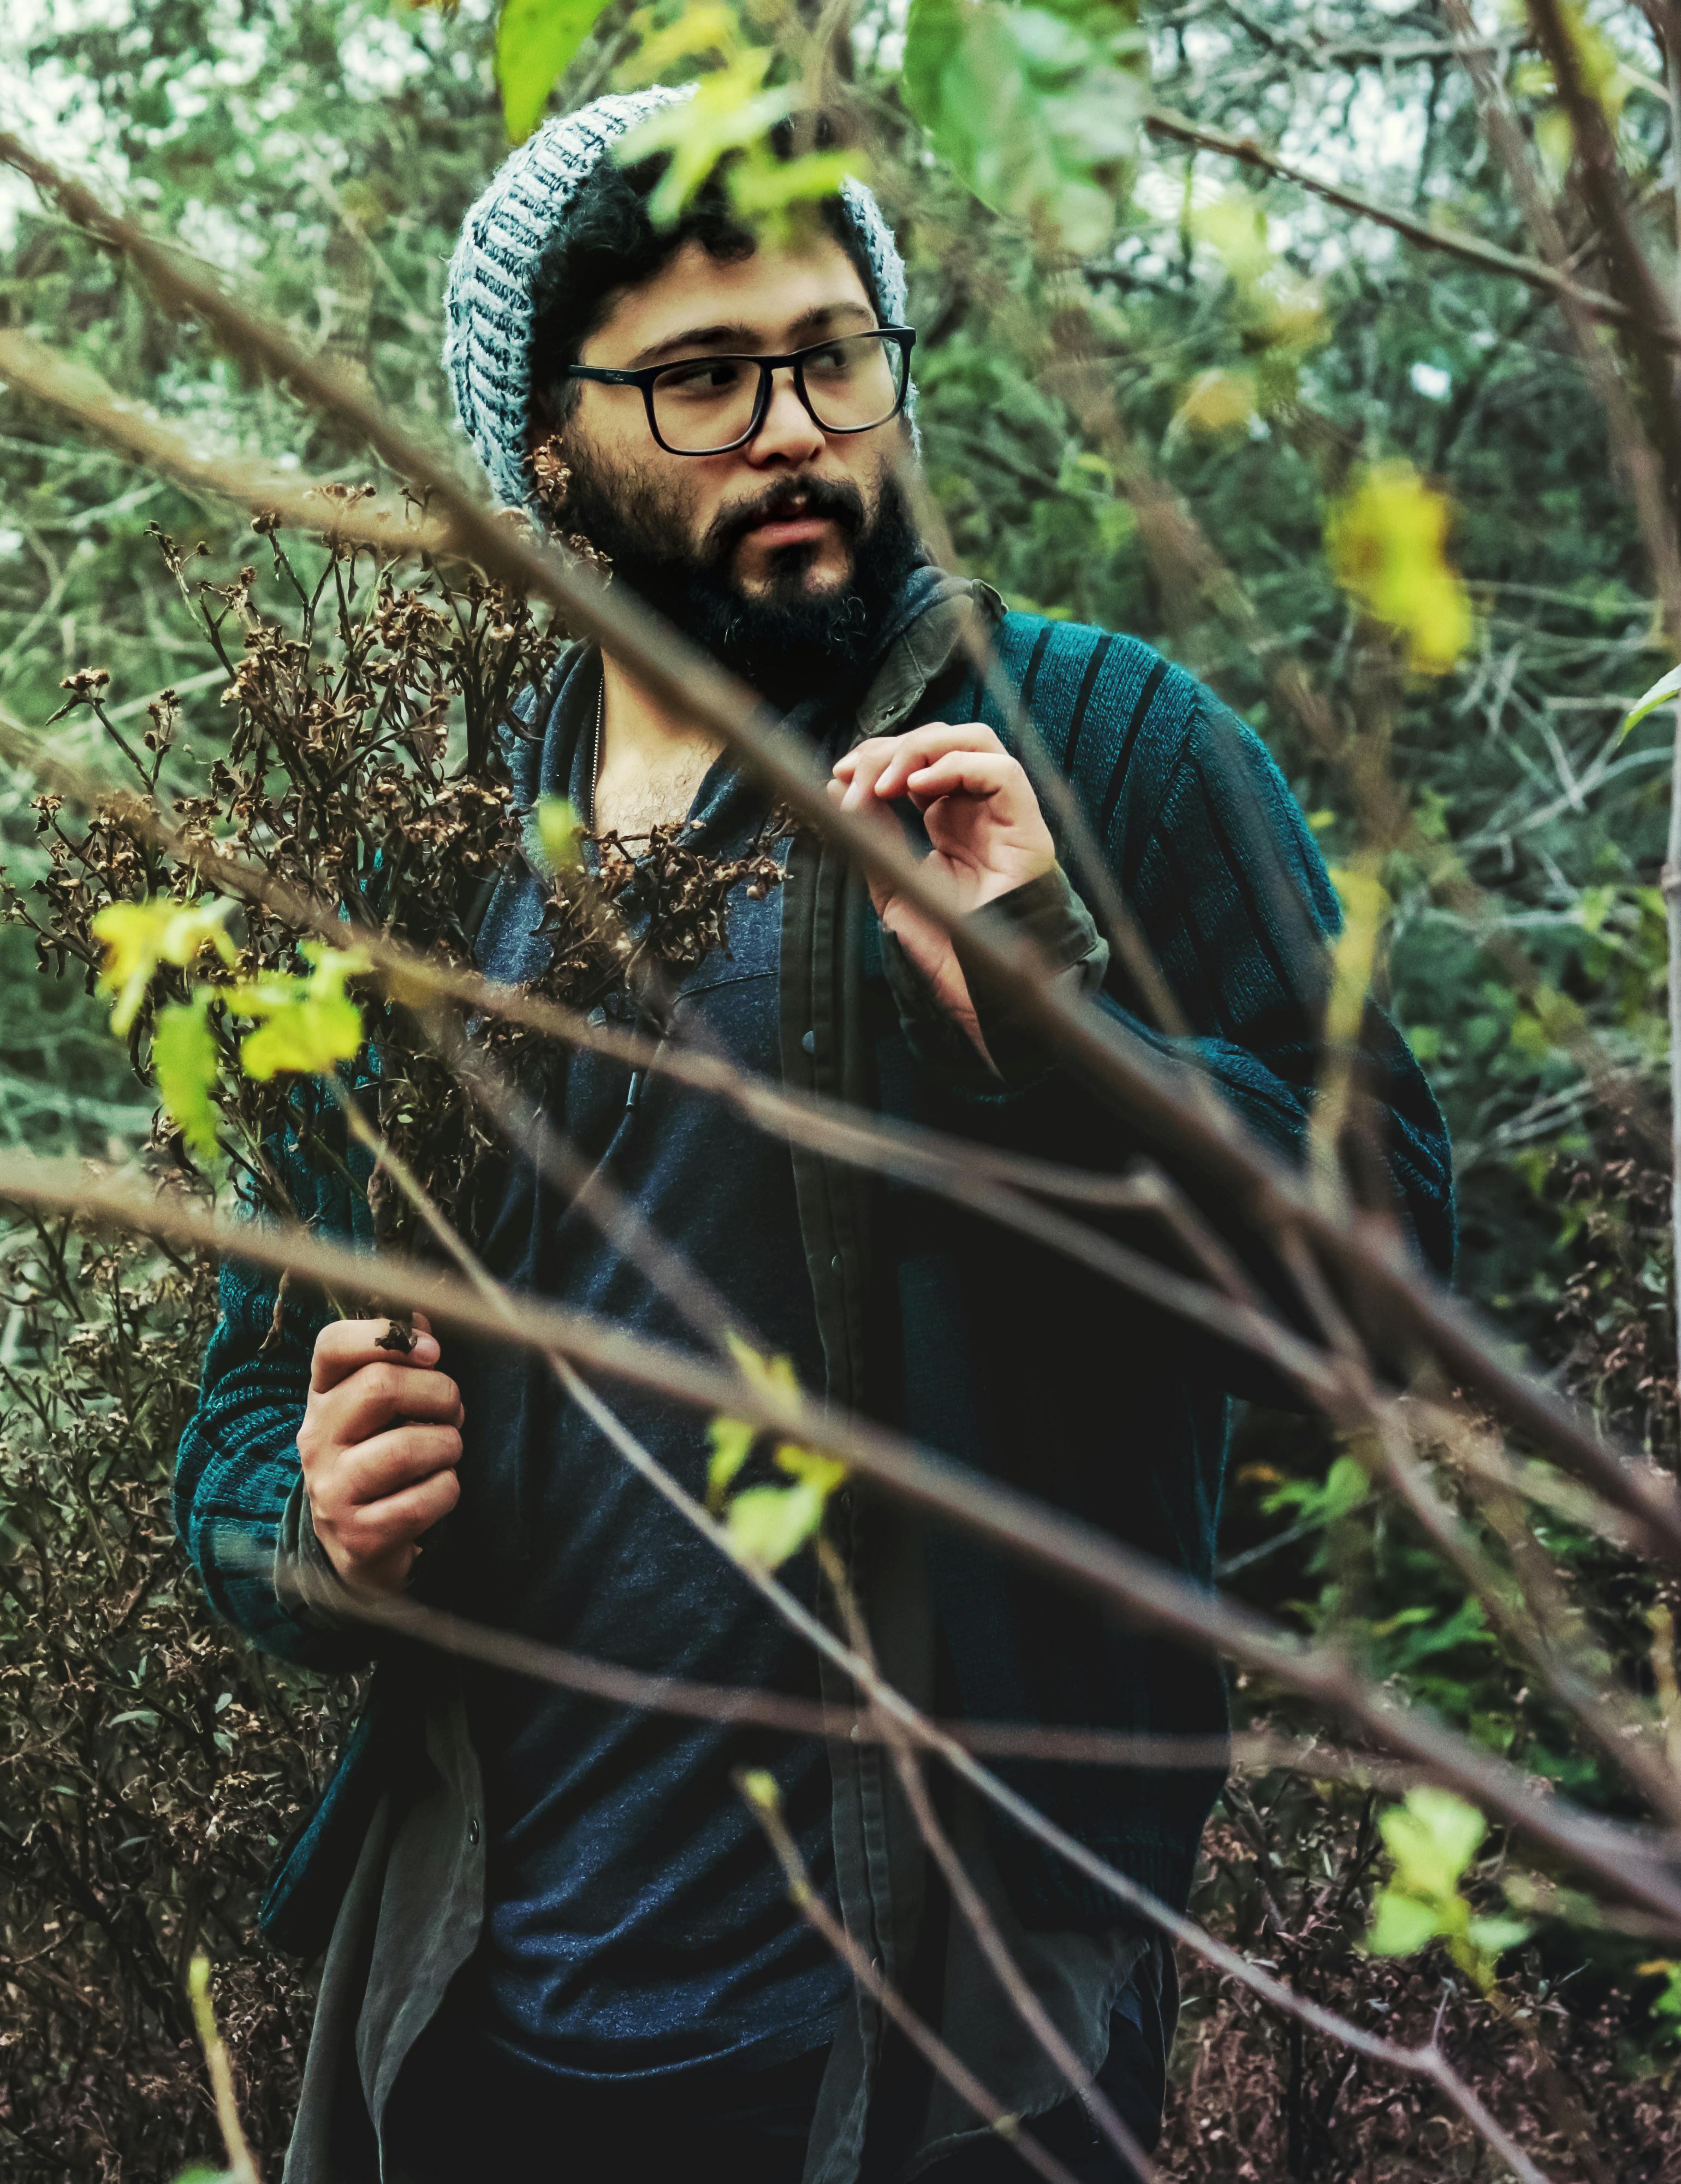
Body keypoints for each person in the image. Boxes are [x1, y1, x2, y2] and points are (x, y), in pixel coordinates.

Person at [175, 86, 1453, 2184]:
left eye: (834, 355)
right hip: (484, 2029)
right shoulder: (410, 873)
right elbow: (234, 1429)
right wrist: (318, 1522)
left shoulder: (1104, 754)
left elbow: (1392, 1279)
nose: (792, 425)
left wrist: (1058, 1032)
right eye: (698, 378)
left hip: (964, 2057)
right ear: (544, 446)